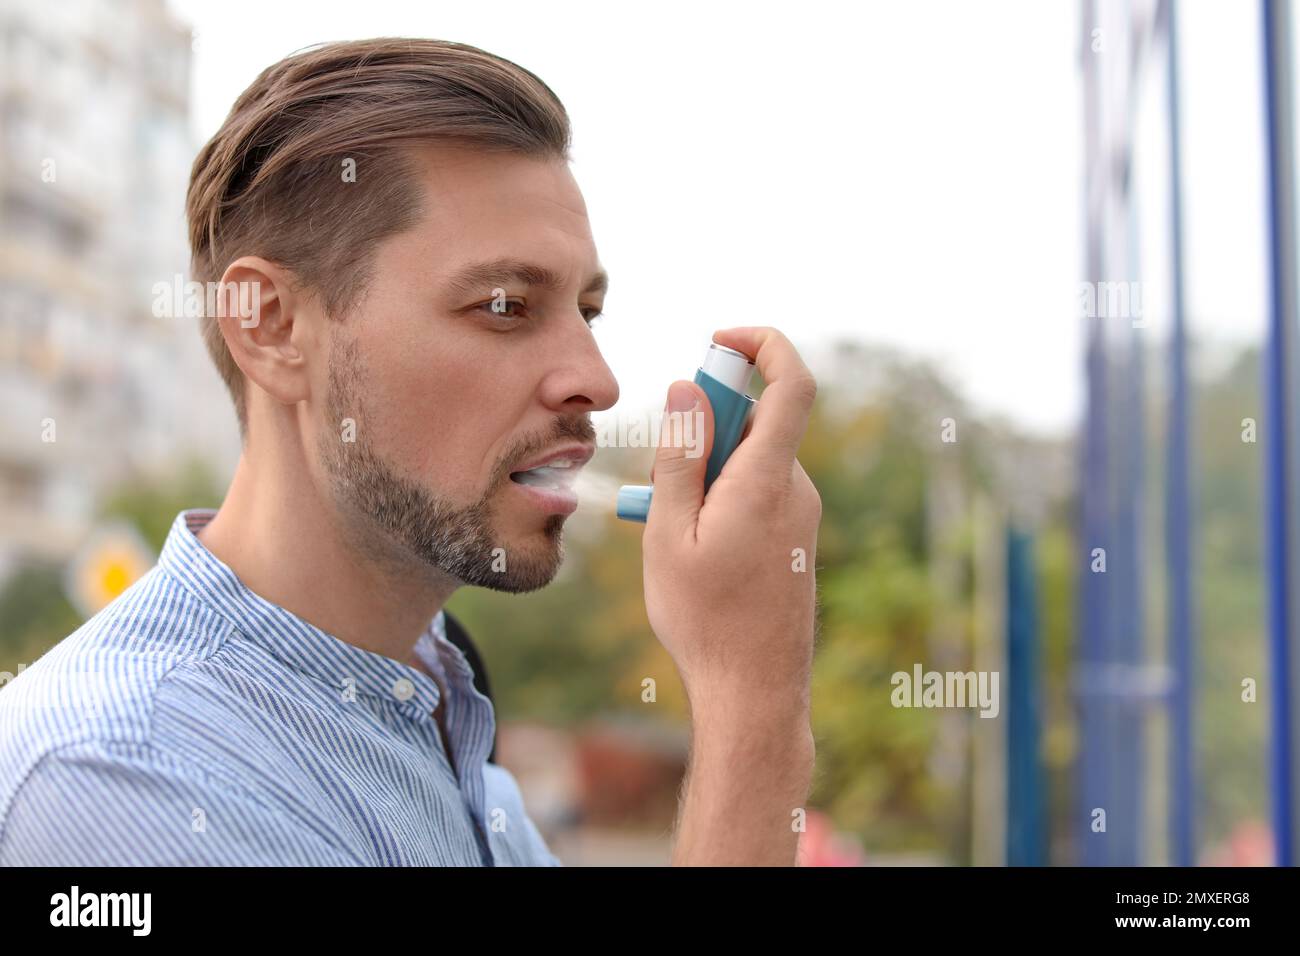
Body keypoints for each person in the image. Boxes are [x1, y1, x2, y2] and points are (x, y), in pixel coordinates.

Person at [0, 38, 821, 866]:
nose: (597, 381)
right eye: (505, 306)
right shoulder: (127, 774)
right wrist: (751, 699)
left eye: (588, 311)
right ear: (272, 327)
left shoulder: (441, 717)